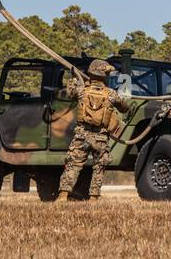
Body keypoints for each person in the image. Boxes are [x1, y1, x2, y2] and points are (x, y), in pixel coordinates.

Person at [56, 59, 132, 202]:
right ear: (104, 75)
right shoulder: (111, 94)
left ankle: (62, 196)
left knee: (73, 165)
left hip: (81, 135)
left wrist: (73, 78)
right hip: (100, 138)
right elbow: (125, 107)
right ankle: (94, 198)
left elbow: (69, 92)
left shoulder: (82, 91)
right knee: (99, 167)